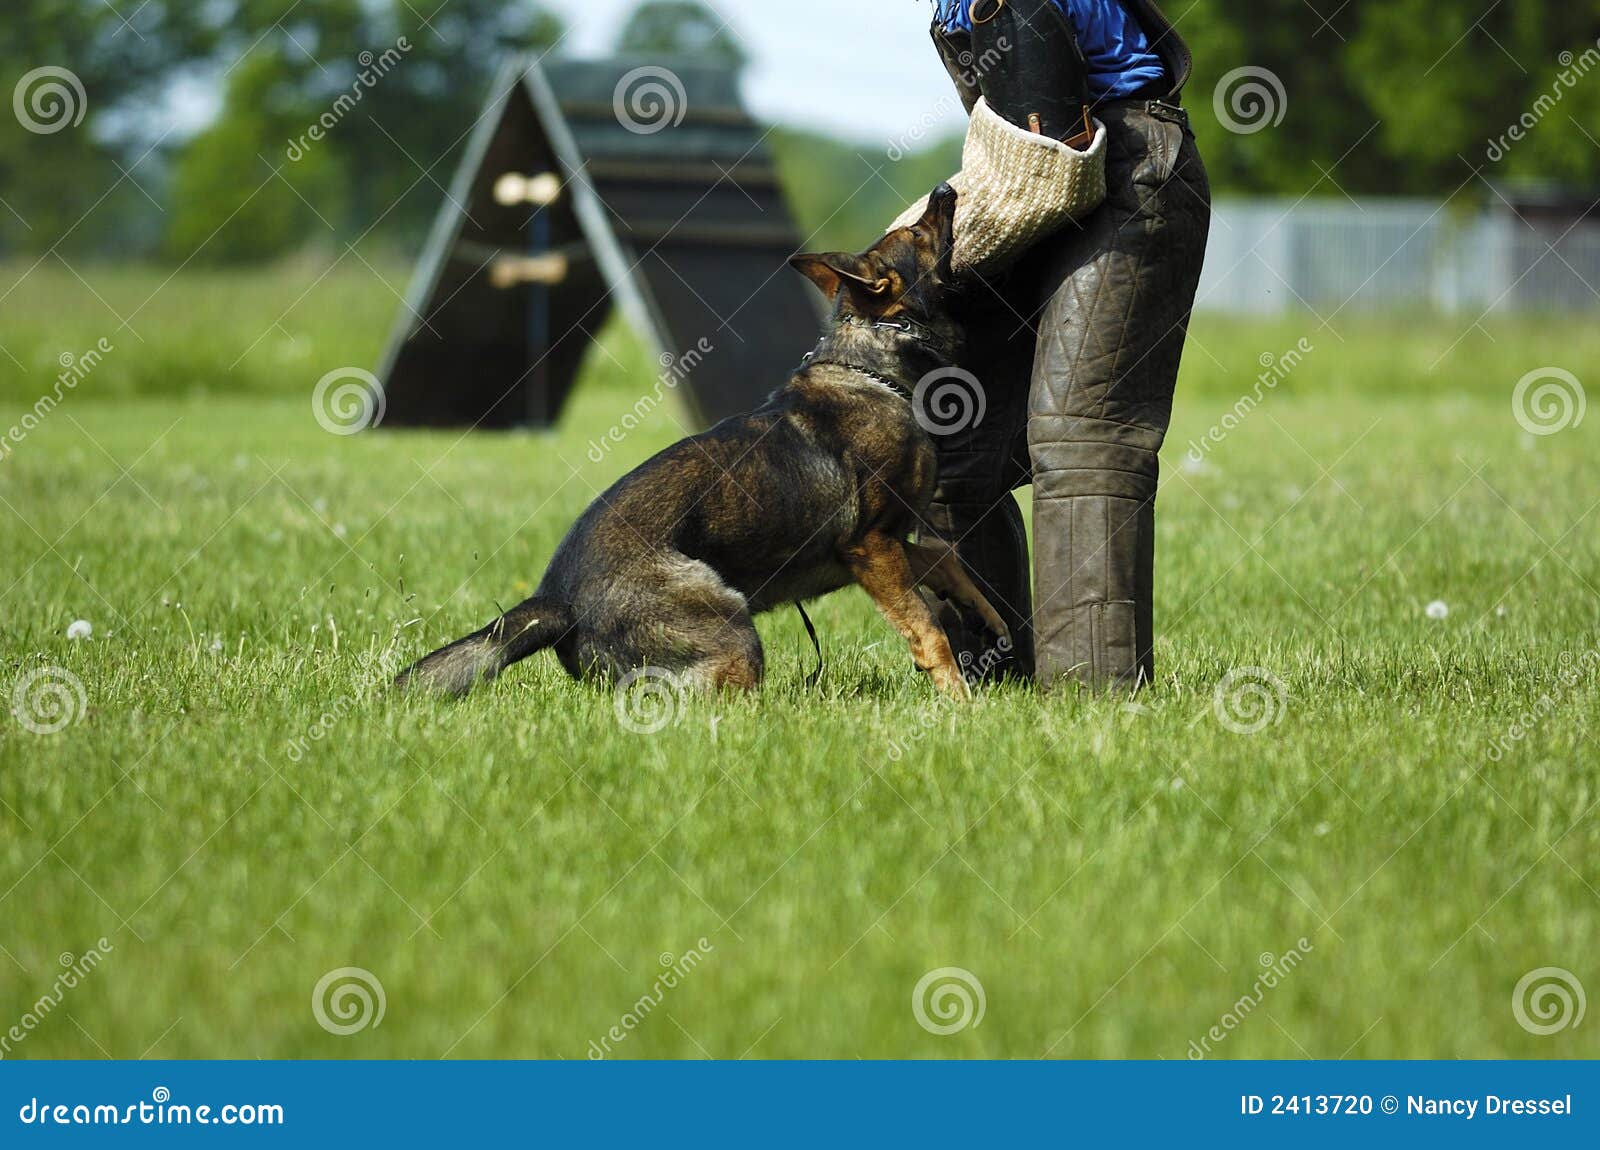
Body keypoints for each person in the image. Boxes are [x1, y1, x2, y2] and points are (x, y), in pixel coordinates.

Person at [922, 0, 1210, 690]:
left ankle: (1093, 702)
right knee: (941, 435)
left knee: (1081, 434)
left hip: (1129, 171)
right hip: (1030, 178)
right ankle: (988, 693)